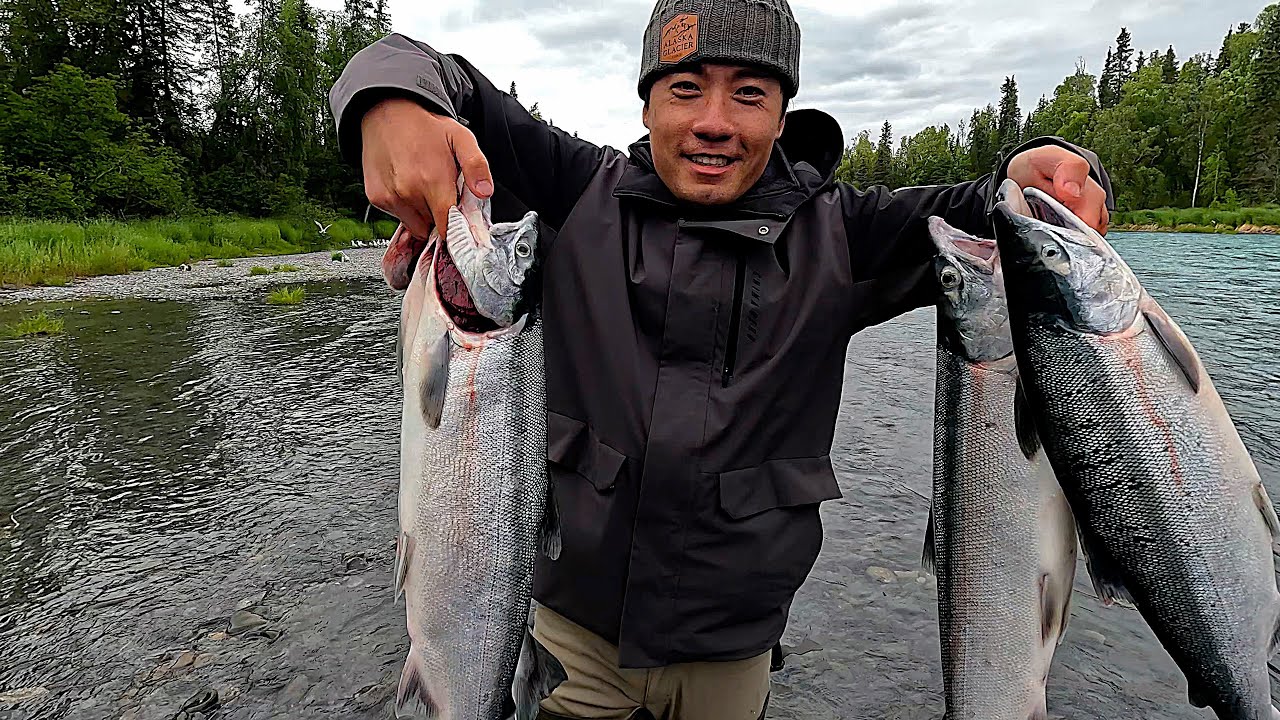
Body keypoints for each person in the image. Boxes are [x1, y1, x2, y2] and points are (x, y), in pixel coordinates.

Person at [328, 1, 1114, 718]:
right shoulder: (576, 194)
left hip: (730, 659)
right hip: (571, 643)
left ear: (782, 114)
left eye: (749, 94)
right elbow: (421, 67)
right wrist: (390, 104)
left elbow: (1001, 209)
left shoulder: (841, 234)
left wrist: (1050, 169)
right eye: (684, 90)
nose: (713, 121)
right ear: (646, 103)